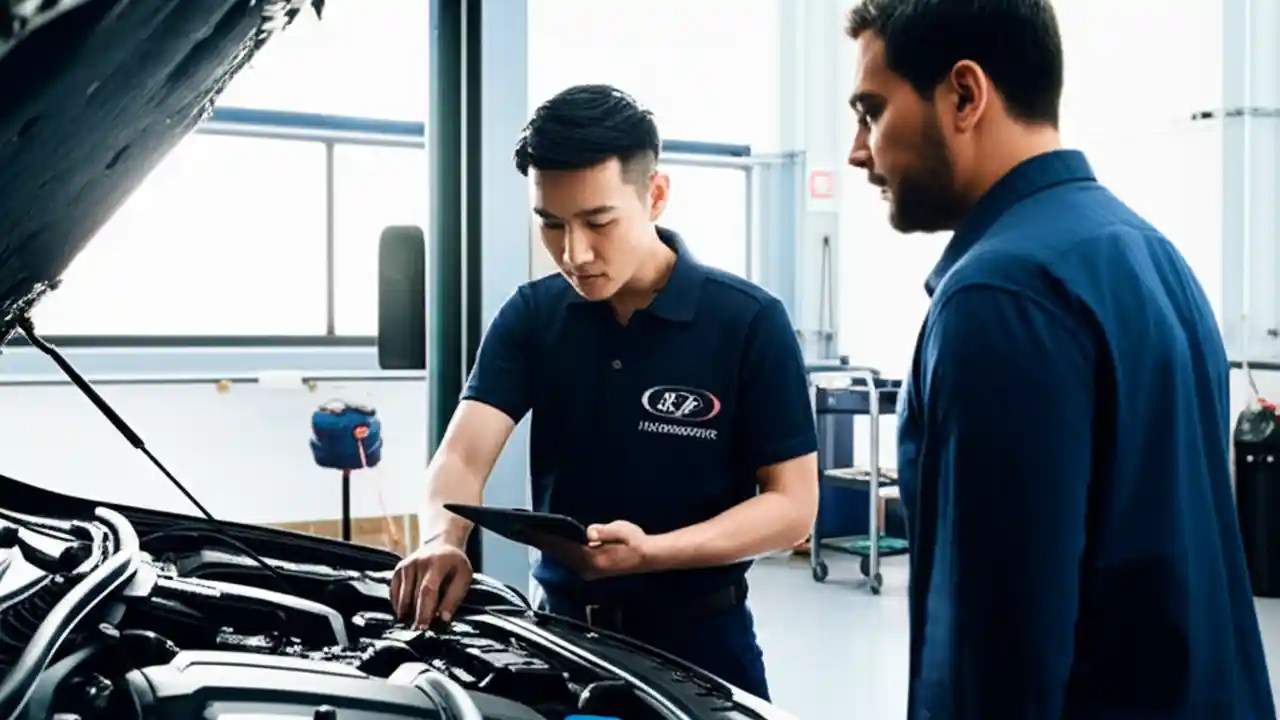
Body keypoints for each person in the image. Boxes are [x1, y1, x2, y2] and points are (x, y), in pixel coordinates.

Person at [842, 1, 1275, 718]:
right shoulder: (1146, 252)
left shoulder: (999, 296)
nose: (860, 150)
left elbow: (996, 654)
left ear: (964, 95)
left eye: (872, 111)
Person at [388, 83, 819, 700]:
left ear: (657, 196)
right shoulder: (534, 316)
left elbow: (793, 507)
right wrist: (442, 540)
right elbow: (461, 455)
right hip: (558, 641)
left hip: (702, 648)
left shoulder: (748, 321)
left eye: (598, 222)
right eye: (552, 224)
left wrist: (653, 553)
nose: (574, 253)